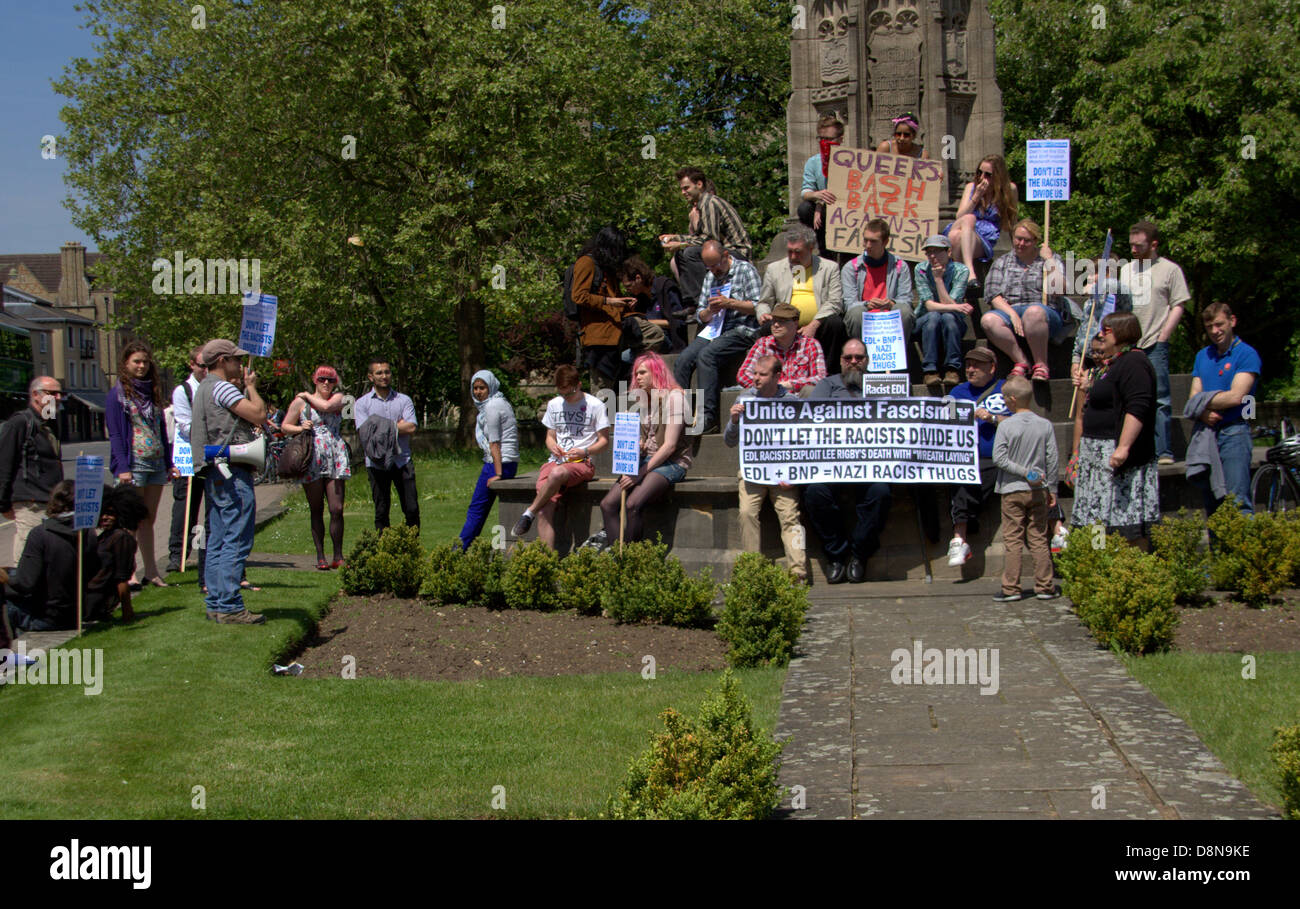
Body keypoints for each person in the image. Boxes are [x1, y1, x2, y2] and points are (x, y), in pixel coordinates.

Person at [190, 339, 268, 624]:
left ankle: (216, 603)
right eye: (235, 359)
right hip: (232, 471)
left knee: (219, 539)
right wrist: (251, 387)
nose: (240, 364)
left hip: (215, 471)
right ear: (222, 360)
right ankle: (230, 605)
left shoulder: (203, 388)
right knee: (236, 537)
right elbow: (259, 413)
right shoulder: (222, 387)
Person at [801, 340, 892, 584]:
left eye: (859, 357)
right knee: (815, 493)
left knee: (881, 493)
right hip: (831, 463)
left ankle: (859, 555)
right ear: (840, 360)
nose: (853, 362)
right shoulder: (827, 384)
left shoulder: (881, 385)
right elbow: (810, 421)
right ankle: (837, 555)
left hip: (873, 463)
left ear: (867, 360)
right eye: (848, 357)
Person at [1069, 312, 1159, 544]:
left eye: (1106, 330)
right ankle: (1099, 565)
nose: (1100, 334)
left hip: (1114, 456)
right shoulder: (1113, 364)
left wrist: (1124, 447)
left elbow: (1138, 406)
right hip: (1095, 457)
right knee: (1098, 517)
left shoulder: (1135, 362)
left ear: (1122, 332)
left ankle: (1127, 571)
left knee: (1122, 521)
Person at [591, 353, 691, 548]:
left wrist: (639, 474)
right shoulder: (645, 400)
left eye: (643, 372)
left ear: (657, 372)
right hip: (649, 459)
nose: (638, 378)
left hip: (672, 462)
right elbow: (648, 438)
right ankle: (616, 555)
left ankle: (630, 559)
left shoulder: (675, 398)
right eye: (636, 374)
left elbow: (669, 445)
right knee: (608, 504)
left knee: (632, 504)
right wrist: (638, 442)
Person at [724, 355, 808, 582]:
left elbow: (804, 443)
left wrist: (796, 475)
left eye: (762, 374)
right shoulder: (745, 398)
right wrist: (733, 420)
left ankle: (798, 573)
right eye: (754, 373)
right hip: (753, 472)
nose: (756, 379)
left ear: (777, 376)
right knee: (746, 513)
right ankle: (752, 571)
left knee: (791, 518)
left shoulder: (792, 401)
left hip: (784, 474)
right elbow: (729, 441)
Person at [511, 364, 610, 549]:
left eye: (569, 393)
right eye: (562, 393)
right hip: (556, 460)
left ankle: (528, 512)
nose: (566, 397)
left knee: (556, 475)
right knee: (545, 510)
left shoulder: (594, 405)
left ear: (579, 385)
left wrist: (586, 451)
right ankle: (547, 563)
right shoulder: (554, 404)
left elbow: (604, 441)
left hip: (582, 462)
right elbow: (549, 437)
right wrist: (553, 446)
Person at [1119, 220, 1191, 465]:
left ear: (1154, 244)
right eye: (1131, 245)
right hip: (1130, 344)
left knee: (1160, 398)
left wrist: (1164, 335)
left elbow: (1179, 304)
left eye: (1139, 246)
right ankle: (1135, 449)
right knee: (1130, 398)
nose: (1134, 250)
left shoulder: (1169, 270)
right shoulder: (1126, 270)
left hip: (1155, 340)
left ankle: (1164, 451)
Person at [671, 240, 762, 434]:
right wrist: (709, 312)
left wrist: (730, 303)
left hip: (742, 327)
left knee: (706, 355)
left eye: (716, 264)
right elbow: (700, 314)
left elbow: (758, 306)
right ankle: (679, 417)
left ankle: (708, 417)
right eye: (709, 266)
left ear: (726, 255)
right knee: (683, 360)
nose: (713, 270)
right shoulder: (710, 277)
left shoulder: (745, 270)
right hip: (714, 329)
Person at [106, 340, 176, 588]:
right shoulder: (117, 395)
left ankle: (152, 571)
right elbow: (115, 434)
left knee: (148, 519)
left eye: (145, 361)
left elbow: (161, 429)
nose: (142, 366)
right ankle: (128, 572)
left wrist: (169, 462)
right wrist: (122, 467)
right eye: (136, 361)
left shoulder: (153, 392)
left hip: (156, 463)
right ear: (125, 364)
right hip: (133, 464)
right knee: (129, 521)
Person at [1185, 303, 1260, 515]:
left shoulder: (1246, 354)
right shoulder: (1202, 356)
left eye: (1219, 324)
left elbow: (1237, 397)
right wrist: (1204, 411)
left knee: (1237, 502)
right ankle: (1217, 549)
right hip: (1207, 434)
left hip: (1234, 432)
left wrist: (1201, 403)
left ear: (1232, 321)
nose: (1215, 331)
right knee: (1212, 506)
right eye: (1209, 326)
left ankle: (1243, 548)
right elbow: (1192, 398)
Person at [991, 376, 1059, 602]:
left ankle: (1011, 588)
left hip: (1012, 489)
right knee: (1039, 537)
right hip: (1039, 489)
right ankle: (1045, 586)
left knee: (1013, 540)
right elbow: (1052, 459)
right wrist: (1052, 488)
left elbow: (999, 458)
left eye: (1004, 399)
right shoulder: (1045, 425)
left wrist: (1023, 471)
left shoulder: (1005, 425)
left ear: (1012, 400)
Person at [4, 480, 99, 633]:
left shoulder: (40, 534)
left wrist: (6, 579)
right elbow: (93, 569)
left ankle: (20, 643)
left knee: (11, 594)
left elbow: (25, 583)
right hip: (76, 613)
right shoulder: (87, 532)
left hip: (45, 617)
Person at [979, 218, 1067, 382]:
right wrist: (1012, 314)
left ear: (1036, 241)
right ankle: (1021, 361)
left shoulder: (1050, 259)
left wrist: (1049, 260)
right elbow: (992, 294)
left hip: (1044, 313)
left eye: (1026, 240)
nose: (1020, 243)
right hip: (1010, 310)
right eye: (1017, 238)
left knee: (1033, 312)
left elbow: (1061, 290)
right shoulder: (1003, 261)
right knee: (988, 319)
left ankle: (1041, 365)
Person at [282, 366, 351, 570]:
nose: (326, 383)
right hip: (312, 455)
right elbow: (285, 426)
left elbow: (328, 407)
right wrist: (299, 427)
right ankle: (320, 555)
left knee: (336, 508)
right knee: (316, 508)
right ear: (315, 380)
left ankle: (338, 555)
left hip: (335, 454)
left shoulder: (339, 398)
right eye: (322, 379)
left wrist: (305, 394)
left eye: (330, 380)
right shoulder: (300, 403)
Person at [945, 347, 1007, 567]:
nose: (970, 369)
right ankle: (959, 539)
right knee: (962, 480)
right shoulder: (957, 392)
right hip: (966, 459)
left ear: (992, 367)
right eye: (968, 364)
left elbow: (1023, 422)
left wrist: (991, 417)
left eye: (977, 365)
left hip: (998, 459)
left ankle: (964, 529)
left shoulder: (1006, 390)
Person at [756, 224, 847, 369]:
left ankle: (829, 374)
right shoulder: (774, 269)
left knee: (835, 324)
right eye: (789, 252)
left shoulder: (829, 268)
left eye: (798, 252)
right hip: (785, 322)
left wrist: (813, 324)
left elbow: (835, 302)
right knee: (767, 327)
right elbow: (764, 302)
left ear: (811, 249)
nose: (793, 257)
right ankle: (774, 373)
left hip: (819, 322)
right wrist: (763, 313)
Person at [660, 166, 753, 307]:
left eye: (686, 188)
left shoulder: (709, 203)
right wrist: (676, 238)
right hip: (722, 250)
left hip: (736, 252)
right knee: (680, 254)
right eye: (682, 189)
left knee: (690, 253)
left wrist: (680, 243)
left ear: (699, 184)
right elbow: (700, 236)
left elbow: (709, 239)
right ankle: (691, 302)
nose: (683, 192)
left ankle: (702, 301)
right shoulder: (702, 205)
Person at [0, 376, 64, 571]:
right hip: (31, 504)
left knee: (50, 560)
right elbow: (4, 463)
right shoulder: (20, 423)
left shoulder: (50, 423)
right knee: (29, 562)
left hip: (52, 503)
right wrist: (3, 503)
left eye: (60, 393)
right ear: (35, 395)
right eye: (52, 393)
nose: (58, 397)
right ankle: (24, 599)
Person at [353, 359, 420, 530]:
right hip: (376, 463)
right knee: (381, 511)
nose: (384, 376)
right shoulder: (362, 404)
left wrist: (380, 427)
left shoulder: (403, 400)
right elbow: (366, 434)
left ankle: (411, 548)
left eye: (387, 372)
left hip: (402, 460)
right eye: (379, 373)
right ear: (371, 377)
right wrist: (397, 425)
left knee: (411, 509)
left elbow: (411, 426)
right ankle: (384, 551)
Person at [459, 369, 518, 550]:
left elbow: (494, 443)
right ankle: (466, 545)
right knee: (478, 510)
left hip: (499, 464)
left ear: (490, 387)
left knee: (476, 509)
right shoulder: (500, 402)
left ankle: (459, 549)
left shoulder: (492, 407)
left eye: (482, 388)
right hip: (505, 461)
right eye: (475, 388)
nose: (478, 392)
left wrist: (498, 474)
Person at [571, 226, 636, 387]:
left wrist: (625, 303)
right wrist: (608, 301)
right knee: (602, 391)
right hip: (598, 338)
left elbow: (614, 298)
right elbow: (578, 296)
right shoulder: (587, 263)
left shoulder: (607, 268)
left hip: (614, 335)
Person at [841, 219, 915, 354]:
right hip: (864, 316)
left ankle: (897, 356)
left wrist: (891, 303)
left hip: (889, 318)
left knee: (904, 311)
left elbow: (906, 299)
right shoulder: (851, 267)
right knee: (855, 313)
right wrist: (867, 304)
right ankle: (859, 358)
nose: (867, 245)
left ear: (885, 242)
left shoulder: (900, 266)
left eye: (873, 241)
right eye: (865, 240)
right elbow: (849, 304)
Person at [943, 154, 1018, 283]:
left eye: (988, 175)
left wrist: (1017, 246)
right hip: (963, 225)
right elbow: (959, 216)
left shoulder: (1009, 189)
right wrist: (977, 196)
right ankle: (969, 271)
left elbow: (1012, 221)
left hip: (983, 237)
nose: (982, 177)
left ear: (998, 177)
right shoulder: (971, 187)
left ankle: (959, 282)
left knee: (956, 236)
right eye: (979, 172)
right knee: (968, 218)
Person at [166, 345, 207, 576]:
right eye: (202, 366)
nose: (205, 370)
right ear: (192, 365)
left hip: (208, 456)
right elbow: (186, 425)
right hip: (187, 457)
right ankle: (177, 555)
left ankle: (204, 551)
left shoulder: (214, 389)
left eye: (208, 366)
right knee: (185, 507)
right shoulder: (183, 391)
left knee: (210, 505)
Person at [912, 235, 972, 391]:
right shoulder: (921, 269)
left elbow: (949, 303)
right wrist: (957, 307)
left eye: (937, 252)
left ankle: (952, 369)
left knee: (947, 317)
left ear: (949, 252)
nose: (932, 256)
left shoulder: (961, 270)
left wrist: (938, 280)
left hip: (951, 322)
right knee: (934, 316)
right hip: (926, 321)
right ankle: (930, 371)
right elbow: (929, 305)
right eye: (929, 252)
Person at [86, 484, 149, 623]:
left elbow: (122, 578)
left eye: (110, 513)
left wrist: (127, 612)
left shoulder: (121, 538)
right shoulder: (105, 536)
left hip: (98, 601)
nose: (105, 517)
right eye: (102, 513)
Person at [736, 302, 827, 395]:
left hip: (799, 398)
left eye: (782, 321)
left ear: (795, 323)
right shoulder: (762, 344)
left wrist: (791, 384)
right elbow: (743, 375)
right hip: (768, 396)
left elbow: (820, 378)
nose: (776, 325)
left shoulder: (810, 345)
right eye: (774, 320)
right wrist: (770, 385)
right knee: (747, 393)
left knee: (810, 390)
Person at [620, 256, 684, 356]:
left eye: (629, 286)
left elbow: (677, 322)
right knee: (622, 357)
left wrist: (646, 323)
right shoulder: (641, 298)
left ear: (638, 278)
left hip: (667, 341)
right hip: (646, 342)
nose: (628, 290)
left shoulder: (664, 287)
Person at [797, 114, 844, 248]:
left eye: (828, 139)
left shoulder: (854, 160)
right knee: (805, 209)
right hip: (824, 209)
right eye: (821, 138)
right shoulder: (813, 162)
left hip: (847, 209)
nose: (824, 142)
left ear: (840, 139)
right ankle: (824, 249)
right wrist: (817, 197)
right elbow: (805, 191)